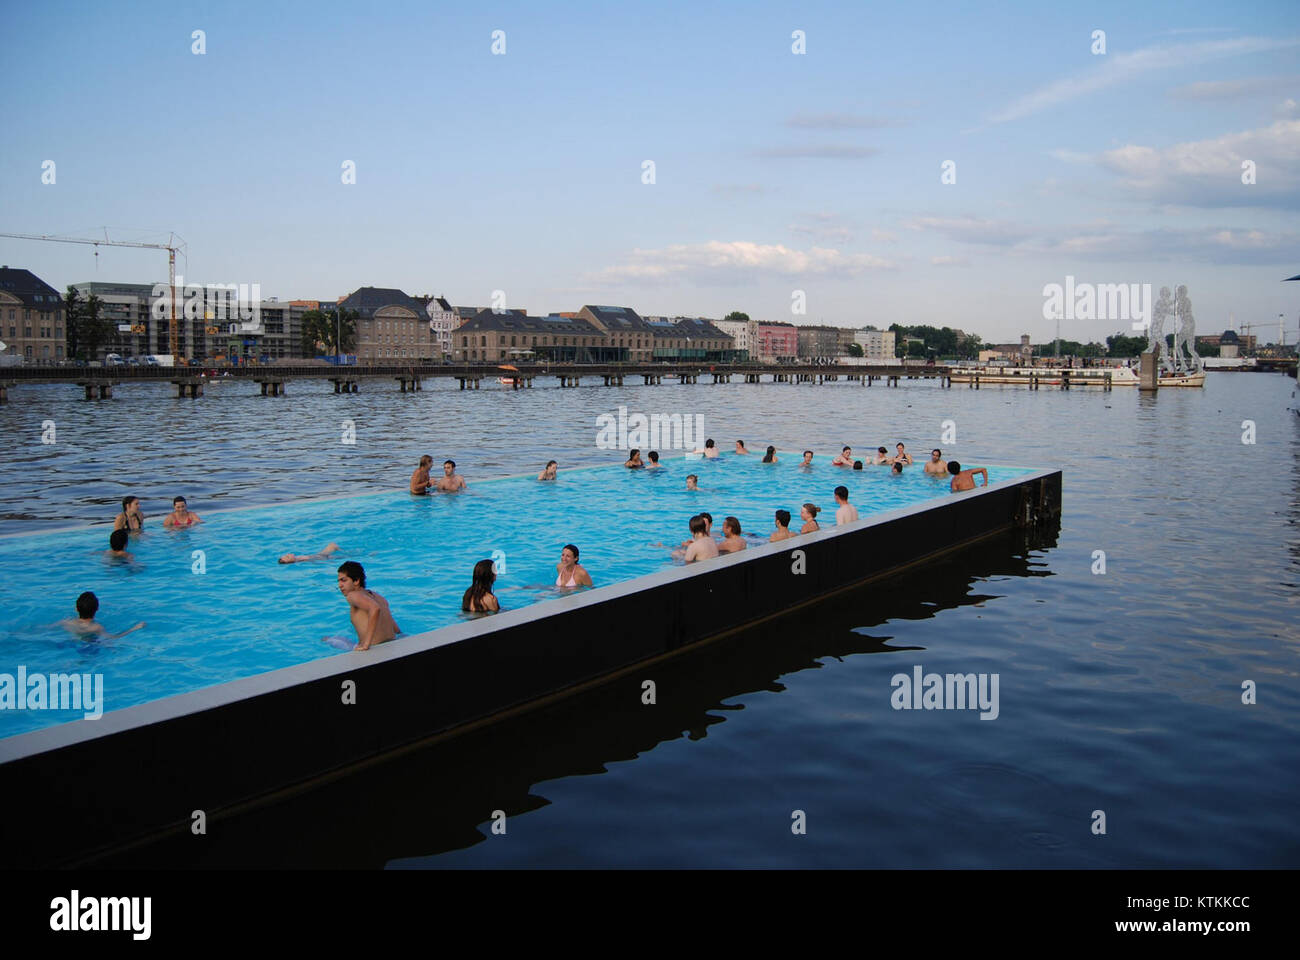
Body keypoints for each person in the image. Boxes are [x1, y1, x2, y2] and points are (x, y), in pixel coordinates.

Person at [335, 561, 401, 651]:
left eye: (344, 580)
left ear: (356, 581)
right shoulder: (379, 597)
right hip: (392, 644)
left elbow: (375, 608)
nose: (340, 585)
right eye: (338, 581)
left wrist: (366, 644)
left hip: (373, 648)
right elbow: (396, 630)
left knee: (328, 639)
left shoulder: (352, 595)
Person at [60, 592, 144, 640]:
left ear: (76, 609)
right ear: (97, 609)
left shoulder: (66, 622)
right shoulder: (97, 627)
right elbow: (113, 638)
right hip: (90, 647)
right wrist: (134, 628)